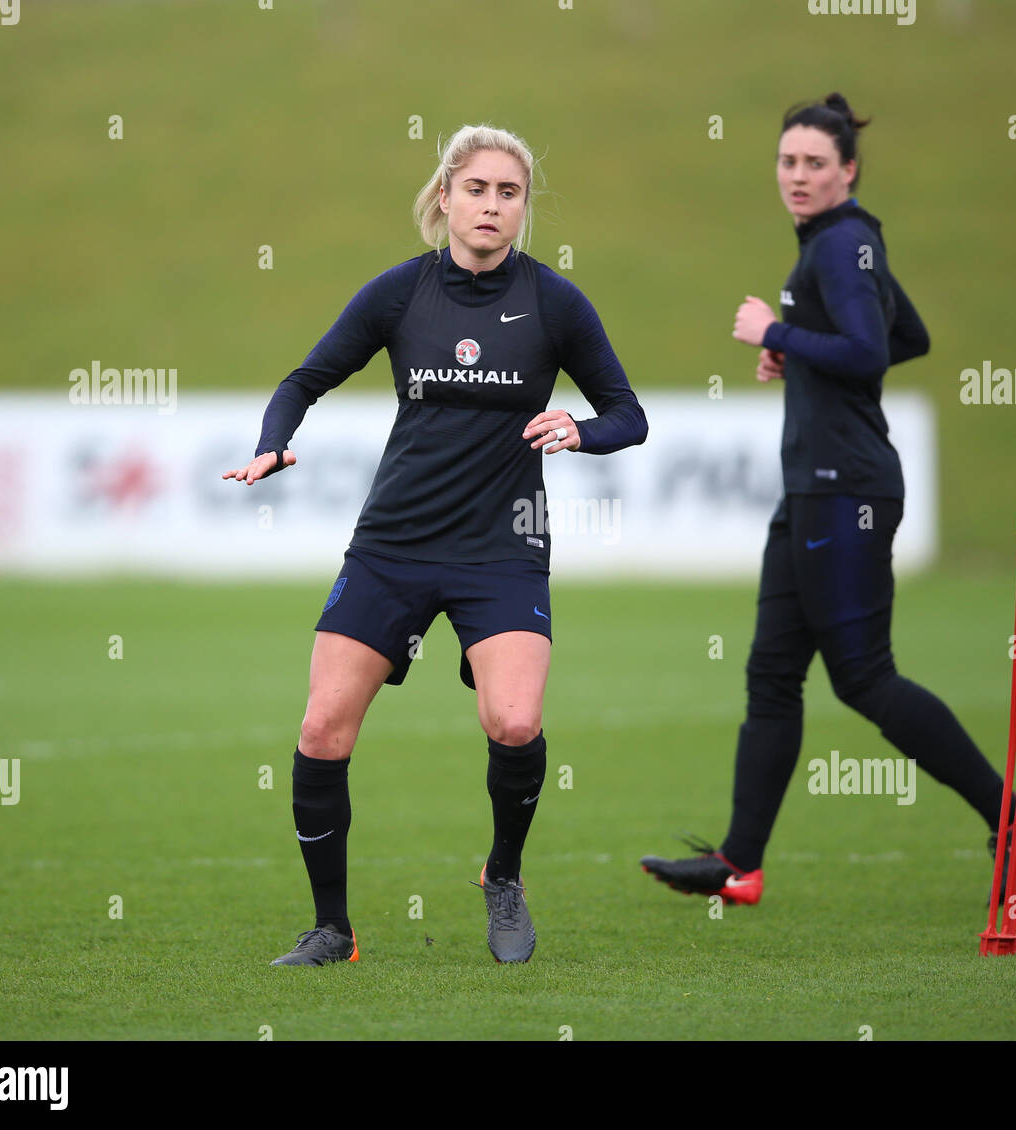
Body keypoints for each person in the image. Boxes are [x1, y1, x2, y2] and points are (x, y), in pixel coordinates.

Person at [223, 123, 647, 965]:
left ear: (524, 208)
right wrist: (273, 441)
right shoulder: (400, 294)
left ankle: (504, 877)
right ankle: (332, 930)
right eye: (479, 189)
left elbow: (629, 414)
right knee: (321, 732)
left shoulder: (556, 303)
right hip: (394, 542)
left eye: (510, 193)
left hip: (504, 547)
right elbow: (303, 379)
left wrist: (584, 429)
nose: (493, 206)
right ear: (445, 196)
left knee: (516, 723)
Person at [640, 93, 1016, 908]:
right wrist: (806, 357)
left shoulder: (842, 243)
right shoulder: (844, 244)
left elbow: (867, 350)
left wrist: (777, 335)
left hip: (844, 490)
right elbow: (908, 337)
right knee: (773, 674)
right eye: (787, 161)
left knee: (863, 678)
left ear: (847, 171)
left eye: (814, 163)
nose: (797, 175)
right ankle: (738, 862)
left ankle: (1010, 809)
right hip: (814, 490)